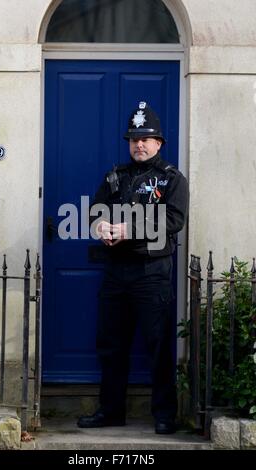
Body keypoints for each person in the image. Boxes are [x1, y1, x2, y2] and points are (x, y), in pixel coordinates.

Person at [77, 101, 189, 434]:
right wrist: (102, 229)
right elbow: (96, 211)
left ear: (159, 143)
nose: (139, 144)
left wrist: (129, 229)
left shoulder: (171, 179)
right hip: (116, 272)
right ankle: (111, 411)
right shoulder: (116, 175)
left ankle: (164, 414)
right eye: (134, 139)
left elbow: (175, 219)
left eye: (146, 139)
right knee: (111, 345)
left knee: (157, 346)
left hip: (151, 273)